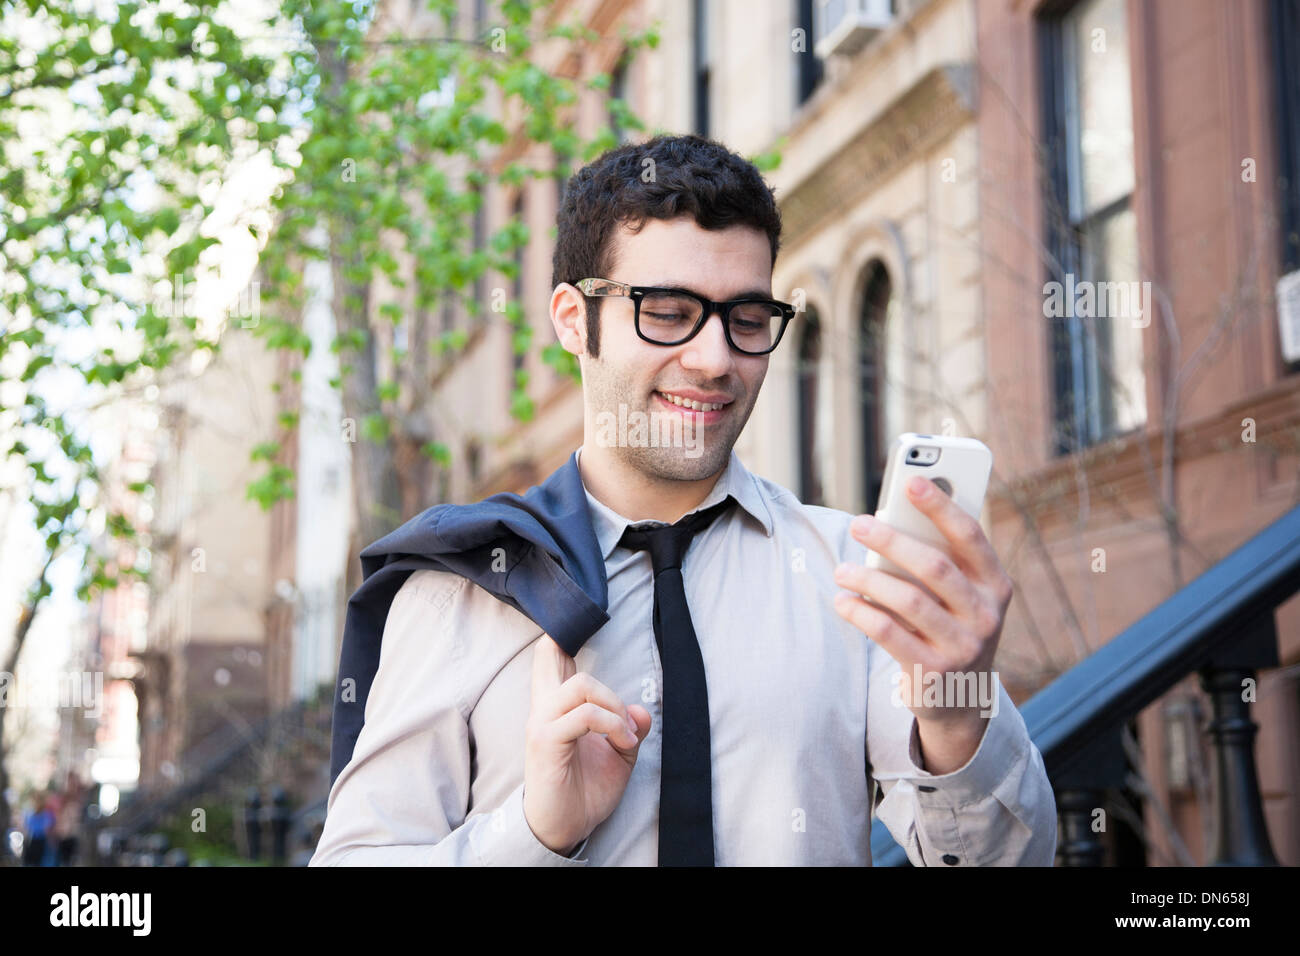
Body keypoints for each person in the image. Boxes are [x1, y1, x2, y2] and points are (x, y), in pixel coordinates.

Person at [311, 134, 1057, 866]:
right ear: (574, 320)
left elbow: (1003, 861)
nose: (714, 360)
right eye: (667, 311)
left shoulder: (852, 574)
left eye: (748, 319)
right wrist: (535, 833)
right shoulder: (457, 588)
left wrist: (959, 712)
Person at [22, 792, 54, 866]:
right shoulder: (29, 813)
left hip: (42, 842)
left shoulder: (46, 814)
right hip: (31, 841)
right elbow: (26, 828)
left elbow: (48, 828)